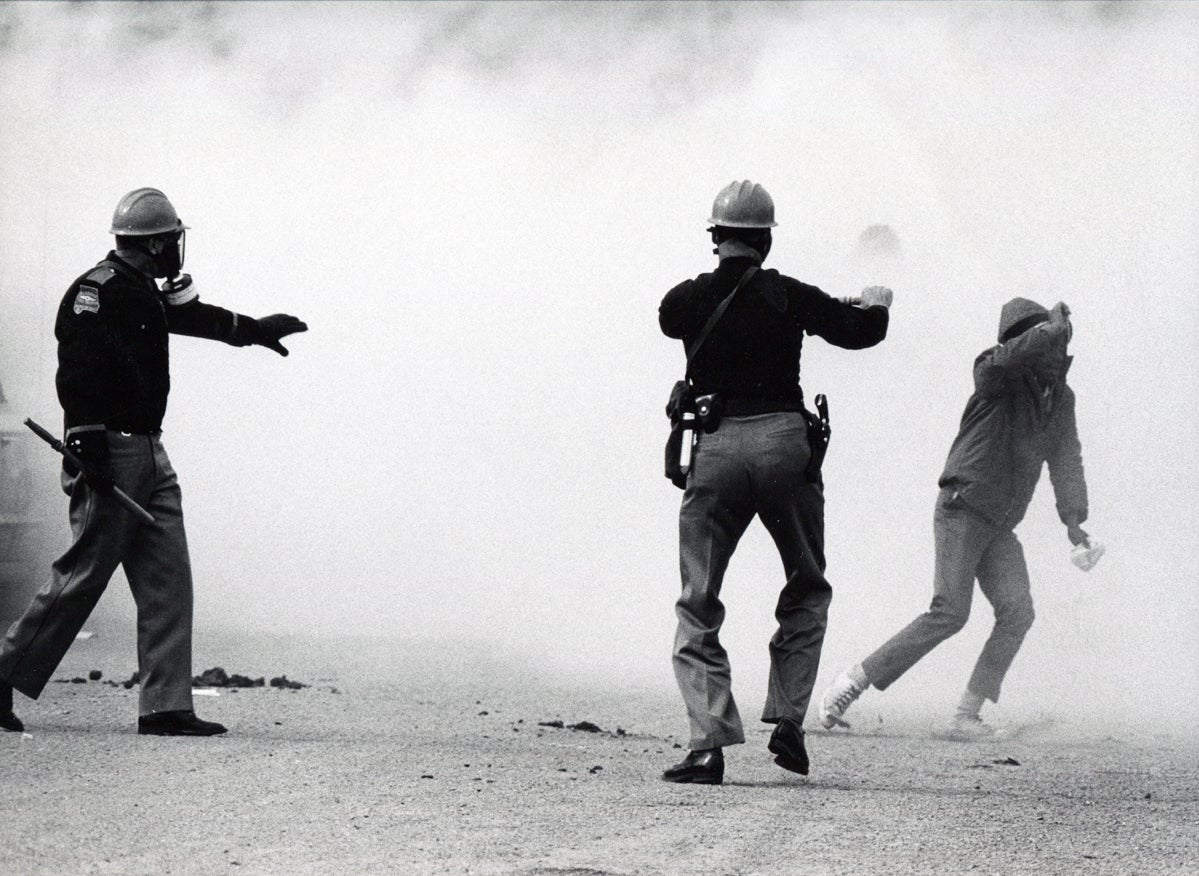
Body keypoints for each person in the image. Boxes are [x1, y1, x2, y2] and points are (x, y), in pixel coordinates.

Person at [0, 188, 307, 736]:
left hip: (148, 450)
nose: (177, 249)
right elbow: (78, 371)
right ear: (158, 242)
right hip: (110, 452)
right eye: (173, 240)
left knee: (168, 577)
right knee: (81, 577)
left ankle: (165, 706)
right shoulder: (97, 292)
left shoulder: (138, 289)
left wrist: (252, 330)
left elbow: (189, 318)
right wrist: (86, 443)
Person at [658, 180, 892, 784]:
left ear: (716, 238)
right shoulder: (788, 294)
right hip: (786, 448)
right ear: (765, 239)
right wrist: (876, 300)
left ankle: (707, 744)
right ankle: (789, 719)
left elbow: (668, 318)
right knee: (806, 584)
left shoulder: (686, 300)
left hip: (716, 448)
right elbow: (860, 331)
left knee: (699, 600)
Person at [819, 297, 1102, 739]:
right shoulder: (997, 375)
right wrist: (1046, 329)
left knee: (1018, 611)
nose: (1054, 355)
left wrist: (1074, 521)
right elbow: (1001, 364)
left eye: (1058, 343)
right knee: (950, 611)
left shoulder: (1060, 399)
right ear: (1027, 342)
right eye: (1044, 343)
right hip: (963, 505)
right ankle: (852, 682)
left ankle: (964, 717)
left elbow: (1067, 458)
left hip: (999, 522)